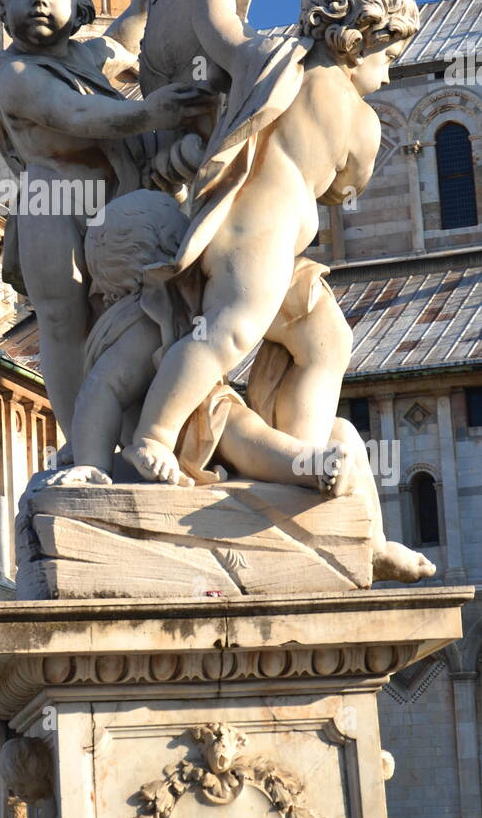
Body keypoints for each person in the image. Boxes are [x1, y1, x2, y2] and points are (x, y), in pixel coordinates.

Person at [124, 0, 420, 485]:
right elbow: (347, 188)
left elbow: (216, 25)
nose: (388, 75)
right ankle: (153, 436)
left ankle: (301, 455)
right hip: (254, 233)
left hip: (281, 250)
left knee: (328, 340)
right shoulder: (360, 120)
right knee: (227, 332)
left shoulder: (272, 60)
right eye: (388, 57)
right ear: (358, 41)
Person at [57, 190, 433, 583]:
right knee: (240, 429)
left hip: (206, 411)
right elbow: (101, 390)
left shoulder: (179, 309)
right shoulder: (143, 324)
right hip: (192, 434)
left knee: (343, 432)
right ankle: (306, 468)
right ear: (160, 262)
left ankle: (375, 545)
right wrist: (92, 464)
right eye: (185, 249)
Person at [0, 0, 206, 434]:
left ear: (80, 4)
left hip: (115, 206)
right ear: (0, 1)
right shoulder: (15, 76)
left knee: (125, 315)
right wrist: (152, 114)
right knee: (62, 322)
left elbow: (135, 29)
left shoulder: (90, 55)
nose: (39, 0)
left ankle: (124, 427)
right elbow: (78, 117)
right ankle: (79, 438)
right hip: (50, 205)